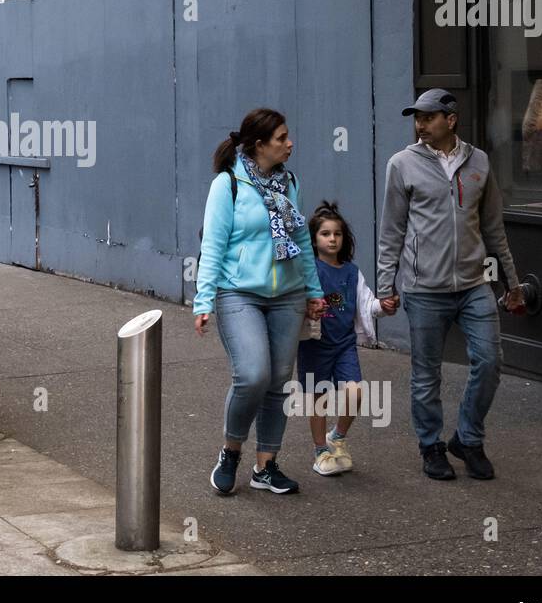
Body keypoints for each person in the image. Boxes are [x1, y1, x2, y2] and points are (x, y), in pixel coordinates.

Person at [377, 89, 522, 481]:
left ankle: (468, 439)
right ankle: (431, 446)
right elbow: (391, 231)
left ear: (451, 120)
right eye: (417, 118)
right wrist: (385, 285)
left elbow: (494, 228)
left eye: (428, 117)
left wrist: (512, 282)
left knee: (490, 362)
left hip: (475, 285)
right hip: (424, 288)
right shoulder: (402, 164)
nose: (420, 124)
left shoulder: (480, 163)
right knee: (426, 375)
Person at [194, 108, 326, 496]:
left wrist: (314, 291)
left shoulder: (290, 183)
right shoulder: (227, 185)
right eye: (282, 137)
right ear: (259, 145)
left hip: (288, 296)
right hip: (239, 293)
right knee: (252, 374)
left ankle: (266, 466)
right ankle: (231, 451)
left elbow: (302, 240)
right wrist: (204, 301)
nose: (290, 143)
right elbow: (213, 246)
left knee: (279, 382)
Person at [295, 201, 390, 476]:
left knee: (355, 391)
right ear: (314, 238)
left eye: (337, 234)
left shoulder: (351, 271)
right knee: (318, 400)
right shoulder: (308, 269)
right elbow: (295, 303)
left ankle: (336, 437)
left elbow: (365, 303)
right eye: (325, 234)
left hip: (344, 344)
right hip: (314, 344)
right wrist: (308, 309)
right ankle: (320, 452)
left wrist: (382, 307)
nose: (332, 239)